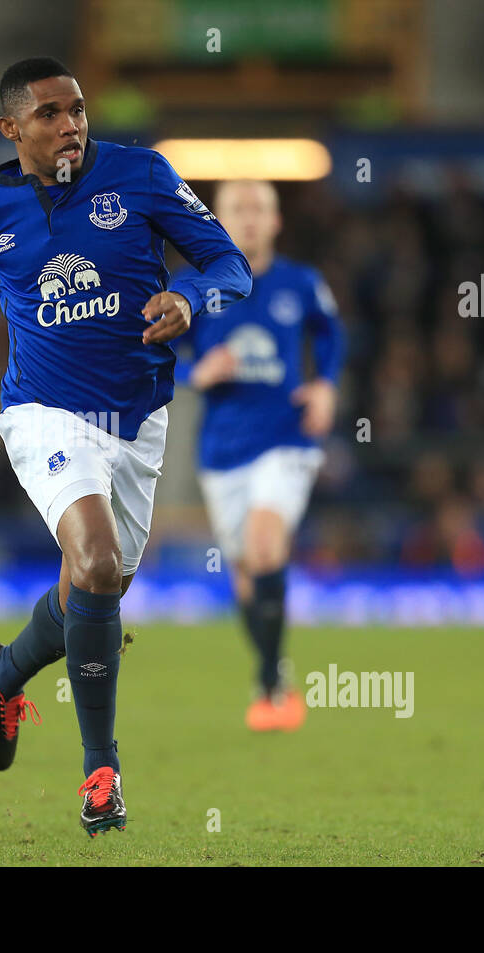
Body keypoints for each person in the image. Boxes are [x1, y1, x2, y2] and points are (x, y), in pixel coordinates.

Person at [0, 57, 251, 835]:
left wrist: (189, 295)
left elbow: (230, 264)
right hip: (44, 413)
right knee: (98, 563)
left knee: (92, 591)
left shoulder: (142, 176)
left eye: (77, 110)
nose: (70, 124)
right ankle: (100, 774)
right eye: (49, 114)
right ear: (12, 128)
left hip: (139, 419)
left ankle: (1, 677)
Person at [176, 180, 344, 730]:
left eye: (258, 209)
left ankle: (271, 686)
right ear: (217, 221)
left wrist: (327, 385)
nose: (248, 219)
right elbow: (146, 354)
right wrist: (194, 373)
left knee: (264, 541)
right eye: (236, 210)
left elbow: (331, 334)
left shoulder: (301, 283)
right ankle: (273, 678)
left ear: (276, 222)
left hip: (288, 439)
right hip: (223, 450)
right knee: (248, 571)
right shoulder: (193, 289)